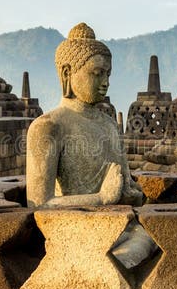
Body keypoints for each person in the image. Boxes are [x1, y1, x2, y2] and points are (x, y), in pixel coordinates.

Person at [26, 22, 143, 209]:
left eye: (108, 74)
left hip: (120, 222)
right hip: (77, 228)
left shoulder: (110, 125)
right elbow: (38, 204)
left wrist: (130, 193)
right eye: (97, 73)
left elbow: (126, 190)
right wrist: (102, 198)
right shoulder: (48, 126)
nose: (105, 82)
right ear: (67, 73)